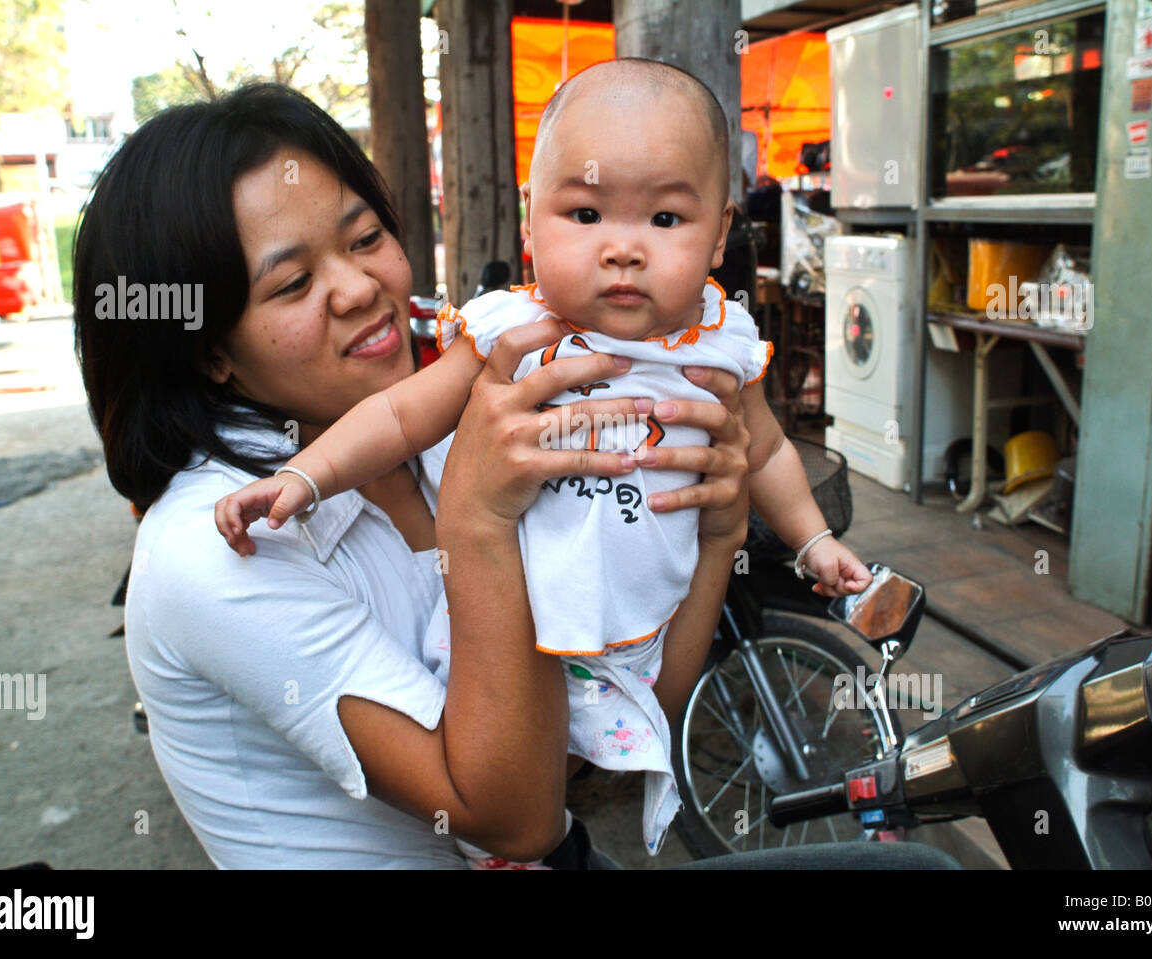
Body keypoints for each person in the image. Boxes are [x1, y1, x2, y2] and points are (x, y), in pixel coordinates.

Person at [71, 82, 752, 869]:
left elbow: (607, 730)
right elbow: (515, 814)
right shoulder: (221, 544)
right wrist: (480, 522)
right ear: (211, 352)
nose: (363, 288)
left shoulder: (440, 435)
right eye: (292, 284)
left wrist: (716, 533)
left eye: (364, 240)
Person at [213, 60, 872, 861]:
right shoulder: (513, 331)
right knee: (507, 793)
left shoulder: (723, 341)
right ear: (532, 221)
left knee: (591, 767)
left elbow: (762, 449)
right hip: (507, 632)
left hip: (645, 630)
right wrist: (304, 476)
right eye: (586, 212)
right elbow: (398, 413)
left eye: (666, 219)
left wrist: (810, 540)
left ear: (722, 233)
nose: (623, 249)